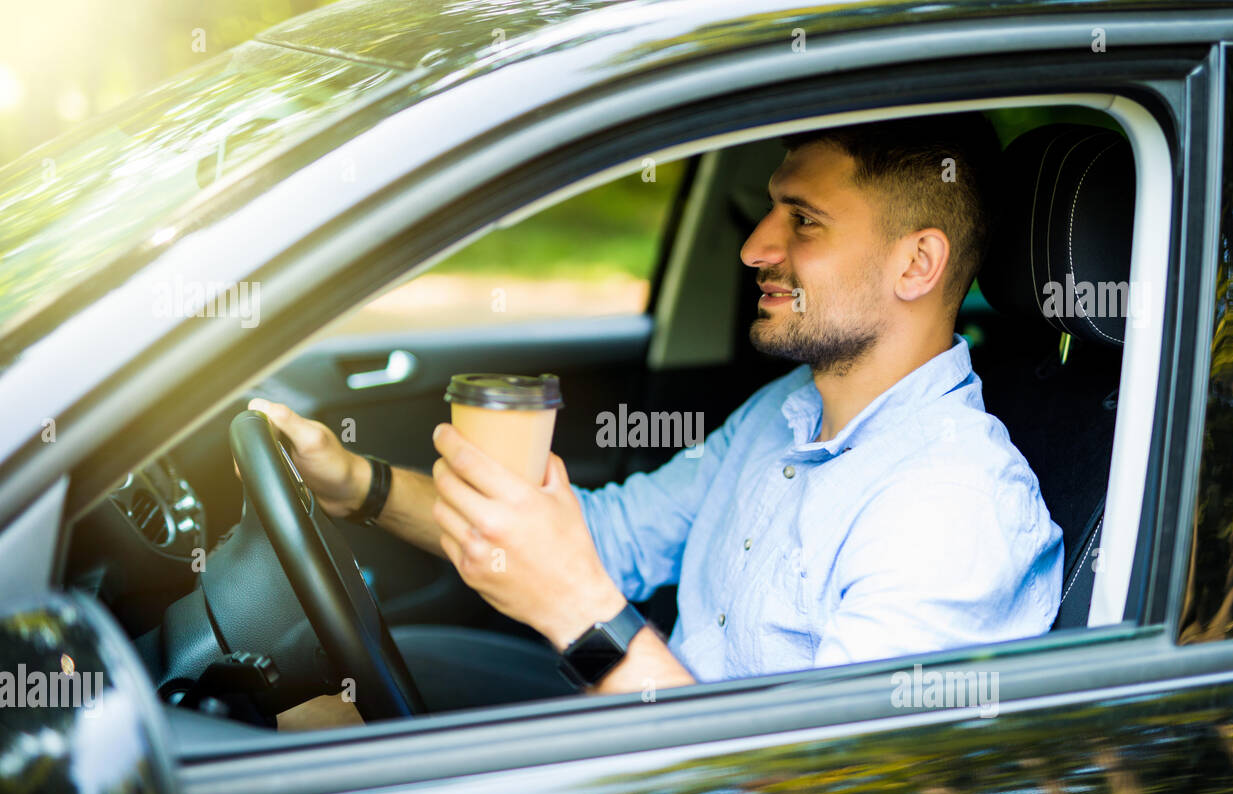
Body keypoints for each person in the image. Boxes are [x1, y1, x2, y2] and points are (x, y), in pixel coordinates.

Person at [251, 113, 1063, 712]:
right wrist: (355, 484)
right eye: (772, 210)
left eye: (803, 220)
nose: (754, 248)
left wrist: (578, 613)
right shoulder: (785, 410)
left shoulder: (957, 511)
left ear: (917, 263)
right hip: (650, 734)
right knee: (327, 702)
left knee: (319, 727)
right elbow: (609, 539)